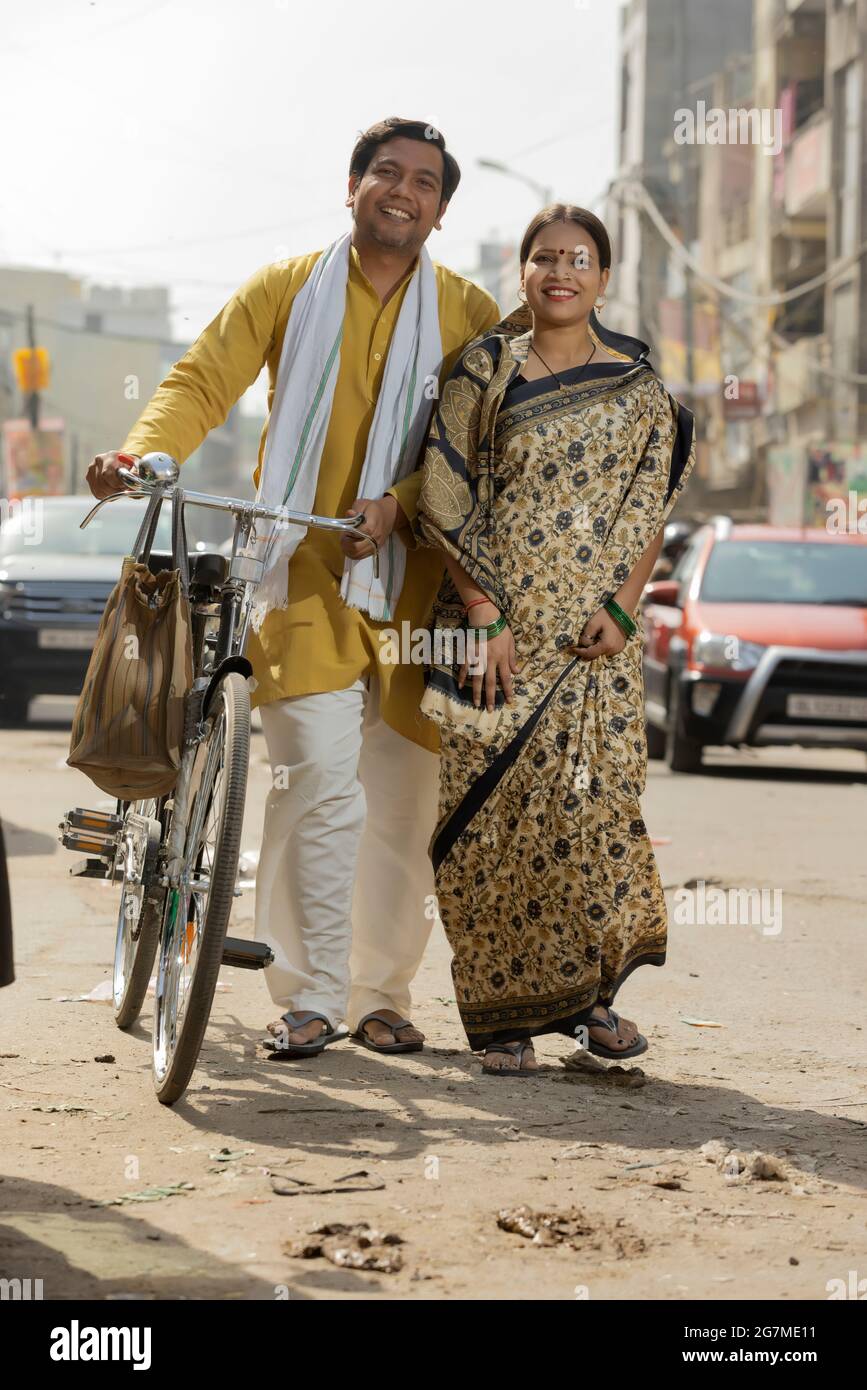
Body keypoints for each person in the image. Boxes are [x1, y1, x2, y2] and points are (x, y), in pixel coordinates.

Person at [86, 118, 499, 1059]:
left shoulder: (472, 312)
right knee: (316, 781)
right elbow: (202, 379)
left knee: (403, 801)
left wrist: (397, 505)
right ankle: (309, 994)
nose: (402, 191)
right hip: (295, 567)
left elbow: (472, 448)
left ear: (440, 209)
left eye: (423, 182)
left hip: (415, 585)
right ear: (351, 187)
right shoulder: (287, 287)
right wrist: (147, 452)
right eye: (384, 173)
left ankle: (382, 992)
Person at [413, 204, 696, 1074]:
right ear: (524, 271)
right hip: (483, 634)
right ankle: (500, 1019)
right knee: (486, 829)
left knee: (588, 820)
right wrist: (484, 610)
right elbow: (442, 495)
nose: (559, 271)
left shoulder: (641, 387)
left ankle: (590, 1005)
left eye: (577, 259)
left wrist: (619, 607)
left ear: (603, 277)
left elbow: (648, 510)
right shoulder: (483, 369)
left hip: (592, 648)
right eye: (543, 258)